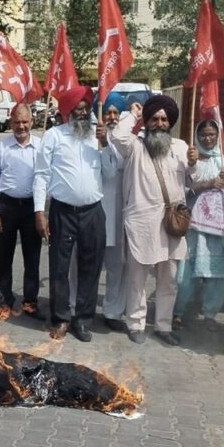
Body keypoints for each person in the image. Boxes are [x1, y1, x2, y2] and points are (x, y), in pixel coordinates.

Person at [109, 95, 196, 346]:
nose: (159, 123)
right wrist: (133, 114)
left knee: (168, 278)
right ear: (147, 122)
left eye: (164, 119)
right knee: (137, 278)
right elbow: (116, 136)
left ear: (170, 123)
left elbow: (192, 180)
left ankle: (163, 325)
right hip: (142, 224)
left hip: (172, 224)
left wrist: (192, 164)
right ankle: (135, 323)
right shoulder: (134, 146)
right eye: (154, 118)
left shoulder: (181, 147)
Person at [35, 87, 108, 341]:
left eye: (86, 108)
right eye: (79, 109)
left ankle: (83, 320)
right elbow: (41, 175)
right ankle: (61, 318)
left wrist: (106, 144)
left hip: (93, 212)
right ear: (68, 112)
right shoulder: (54, 136)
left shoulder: (97, 137)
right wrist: (39, 212)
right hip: (62, 212)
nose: (84, 112)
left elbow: (111, 172)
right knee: (59, 267)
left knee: (91, 266)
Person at [173, 120, 224, 332]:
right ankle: (177, 313)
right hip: (195, 226)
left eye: (212, 134)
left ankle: (210, 314)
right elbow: (182, 190)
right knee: (186, 273)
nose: (208, 139)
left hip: (222, 227)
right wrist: (207, 184)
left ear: (218, 135)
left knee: (217, 275)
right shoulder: (191, 159)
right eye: (203, 134)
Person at [0, 103, 43, 320]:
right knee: (5, 255)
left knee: (32, 257)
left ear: (32, 122)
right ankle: (6, 297)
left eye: (25, 122)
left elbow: (45, 179)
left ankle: (30, 302)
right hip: (6, 207)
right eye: (17, 122)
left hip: (31, 208)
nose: (21, 126)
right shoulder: (0, 147)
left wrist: (42, 211)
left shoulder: (40, 146)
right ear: (10, 122)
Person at [99, 93, 129, 333]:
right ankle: (78, 307)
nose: (110, 117)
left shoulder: (129, 141)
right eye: (107, 112)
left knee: (117, 267)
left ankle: (112, 311)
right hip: (92, 214)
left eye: (114, 113)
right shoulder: (88, 138)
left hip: (119, 215)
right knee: (83, 266)